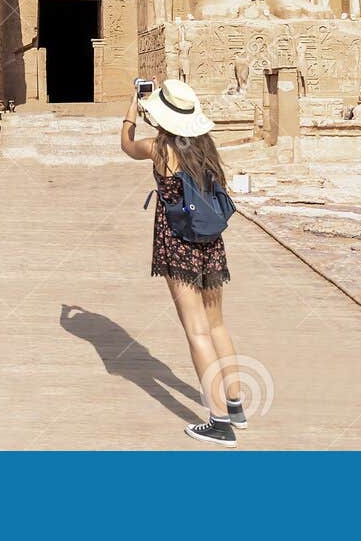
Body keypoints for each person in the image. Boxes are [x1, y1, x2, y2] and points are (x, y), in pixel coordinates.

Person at [121, 78, 249, 447]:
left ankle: (219, 421)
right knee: (217, 325)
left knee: (196, 331)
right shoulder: (204, 148)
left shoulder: (160, 151)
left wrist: (133, 108)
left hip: (178, 244)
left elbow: (128, 145)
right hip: (210, 244)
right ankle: (236, 404)